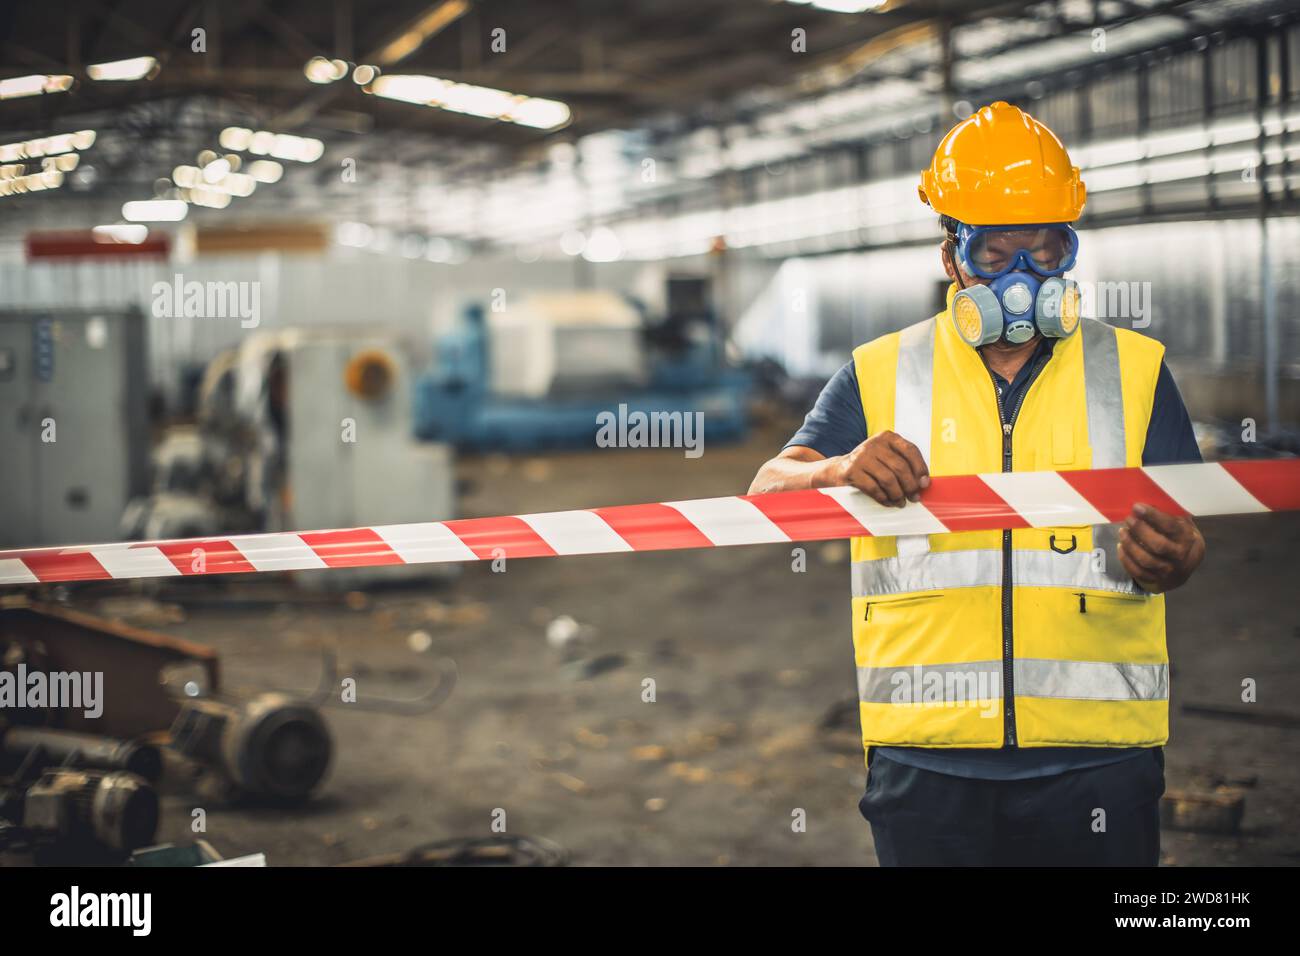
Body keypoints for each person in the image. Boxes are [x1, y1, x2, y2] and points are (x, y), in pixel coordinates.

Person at [748, 101, 1206, 866]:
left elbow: (1186, 531)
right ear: (951, 254)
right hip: (926, 762)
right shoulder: (879, 371)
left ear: (1071, 248)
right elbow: (767, 495)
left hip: (1097, 762)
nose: (1026, 278)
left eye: (1048, 249)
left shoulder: (1137, 370)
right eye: (997, 253)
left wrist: (1179, 557)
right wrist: (836, 467)